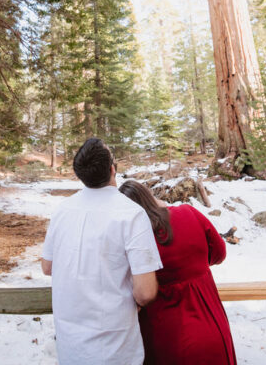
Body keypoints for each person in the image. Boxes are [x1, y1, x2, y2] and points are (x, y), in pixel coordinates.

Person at [41, 138, 163, 365]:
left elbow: (47, 266)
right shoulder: (132, 214)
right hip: (115, 346)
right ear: (112, 169)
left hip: (70, 344)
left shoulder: (62, 210)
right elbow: (145, 292)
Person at [119, 180, 237, 365]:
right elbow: (219, 253)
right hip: (210, 322)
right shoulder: (188, 213)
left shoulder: (133, 239)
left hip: (165, 335)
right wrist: (195, 265)